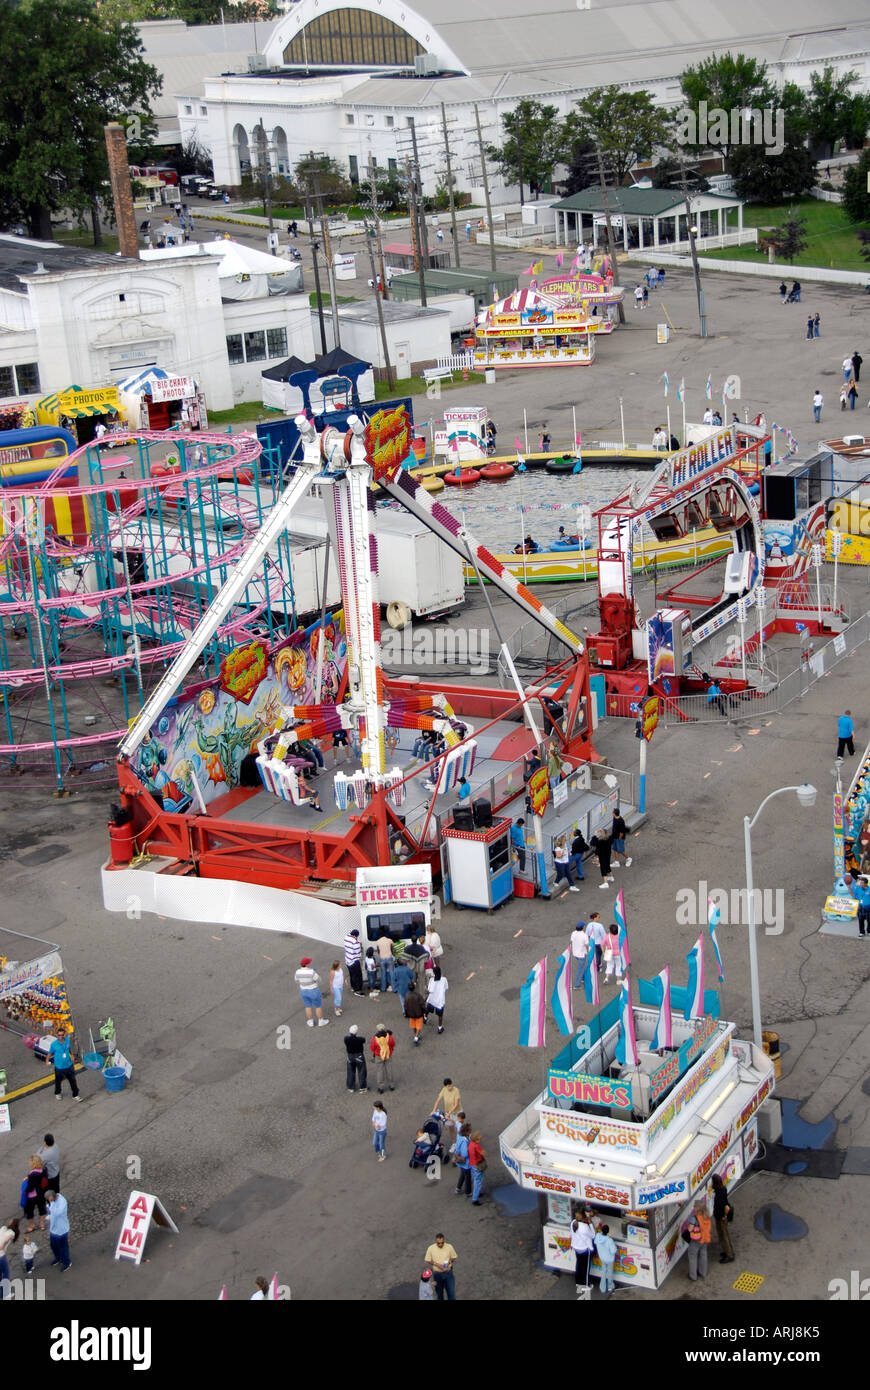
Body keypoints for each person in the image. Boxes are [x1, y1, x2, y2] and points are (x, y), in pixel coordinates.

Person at [683, 1198, 713, 1281]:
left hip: (696, 1240)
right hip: (705, 1238)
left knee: (692, 1257)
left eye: (695, 1206)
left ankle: (693, 1276)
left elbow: (690, 1229)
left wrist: (688, 1226)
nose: (693, 1207)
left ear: (698, 1208)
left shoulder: (694, 1218)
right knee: (703, 1254)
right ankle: (703, 1272)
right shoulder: (707, 1215)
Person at [294, 957, 329, 1028]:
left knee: (307, 1006)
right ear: (307, 964)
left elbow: (296, 981)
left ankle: (310, 1021)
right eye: (309, 962)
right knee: (318, 1006)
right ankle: (320, 1021)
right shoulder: (311, 972)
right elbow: (319, 979)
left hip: (303, 991)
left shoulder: (297, 972)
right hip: (313, 990)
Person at [46, 1031, 80, 1100]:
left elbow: (69, 1048)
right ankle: (57, 1093)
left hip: (69, 1065)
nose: (61, 1037)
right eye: (59, 1035)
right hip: (59, 1067)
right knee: (58, 1081)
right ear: (56, 1035)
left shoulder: (67, 1040)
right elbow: (49, 1053)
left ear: (64, 1034)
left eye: (62, 1035)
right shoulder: (54, 1044)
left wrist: (72, 1056)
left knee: (73, 1081)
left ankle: (75, 1095)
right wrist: (47, 1060)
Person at [424, 1233, 458, 1299]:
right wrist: (437, 1264)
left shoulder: (449, 1246)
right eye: (438, 1243)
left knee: (451, 1294)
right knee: (439, 1295)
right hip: (437, 1275)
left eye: (442, 1243)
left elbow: (454, 1256)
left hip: (448, 1274)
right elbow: (427, 1259)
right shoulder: (431, 1248)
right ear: (435, 1241)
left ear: (444, 1240)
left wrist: (449, 1262)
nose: (440, 1244)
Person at [434, 1078, 462, 1152]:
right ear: (445, 1086)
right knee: (451, 1129)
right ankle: (454, 1144)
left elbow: (456, 1104)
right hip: (448, 1113)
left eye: (450, 1085)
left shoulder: (456, 1090)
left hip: (457, 1112)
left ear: (452, 1084)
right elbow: (438, 1100)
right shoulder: (444, 1090)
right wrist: (433, 1110)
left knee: (459, 1129)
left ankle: (462, 1143)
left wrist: (449, 1113)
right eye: (448, 1086)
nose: (449, 1087)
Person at [711, 1174, 734, 1262]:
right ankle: (728, 1251)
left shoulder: (719, 1193)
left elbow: (724, 1206)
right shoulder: (722, 1189)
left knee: (723, 1236)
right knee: (724, 1235)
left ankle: (729, 1255)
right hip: (720, 1217)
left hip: (720, 1218)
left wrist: (724, 1216)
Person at [46, 1191, 71, 1272]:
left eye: (49, 1200)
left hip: (61, 1230)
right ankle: (58, 1258)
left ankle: (67, 1262)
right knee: (53, 1245)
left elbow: (57, 1213)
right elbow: (50, 1212)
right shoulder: (52, 1201)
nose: (49, 1201)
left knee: (63, 1247)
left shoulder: (62, 1202)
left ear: (52, 1197)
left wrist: (50, 1205)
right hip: (53, 1229)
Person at [571, 1213, 595, 1292]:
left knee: (578, 1265)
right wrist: (590, 1223)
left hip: (576, 1247)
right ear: (583, 1219)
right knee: (586, 1267)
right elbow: (593, 1235)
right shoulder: (585, 1227)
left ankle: (578, 1282)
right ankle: (586, 1285)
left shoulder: (573, 1223)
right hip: (585, 1249)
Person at [23, 1156, 47, 1233]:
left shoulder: (33, 1174)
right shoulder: (43, 1170)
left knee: (29, 1210)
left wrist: (25, 1191)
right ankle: (42, 1224)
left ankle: (31, 1226)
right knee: (42, 1208)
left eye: (30, 1161)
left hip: (33, 1196)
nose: (29, 1163)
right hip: (41, 1194)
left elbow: (31, 1187)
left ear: (33, 1163)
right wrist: (28, 1177)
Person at [369, 1025, 396, 1092]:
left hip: (379, 1056)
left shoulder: (375, 1039)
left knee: (380, 1071)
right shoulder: (389, 1037)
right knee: (389, 1070)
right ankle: (391, 1085)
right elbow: (393, 1044)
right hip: (388, 1055)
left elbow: (372, 1048)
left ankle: (381, 1087)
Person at [344, 1024, 368, 1092]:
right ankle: (362, 1087)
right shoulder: (360, 1039)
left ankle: (350, 1087)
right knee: (362, 1071)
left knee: (350, 1071)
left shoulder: (346, 1039)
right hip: (359, 1056)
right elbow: (364, 1040)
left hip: (350, 1056)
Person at [594, 1223, 617, 1294]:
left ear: (601, 1230)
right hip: (609, 1259)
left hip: (602, 1258)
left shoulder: (597, 1236)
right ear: (608, 1231)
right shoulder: (609, 1240)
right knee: (609, 1272)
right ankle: (610, 1287)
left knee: (603, 1272)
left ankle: (602, 1288)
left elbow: (595, 1242)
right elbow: (613, 1251)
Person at [425, 966, 448, 1034]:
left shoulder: (431, 980)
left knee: (428, 1009)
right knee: (440, 1015)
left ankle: (425, 1018)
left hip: (432, 999)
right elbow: (446, 988)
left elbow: (429, 990)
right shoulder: (444, 979)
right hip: (440, 1001)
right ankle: (439, 1027)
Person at [0, 1220, 19, 1296]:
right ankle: (5, 1294)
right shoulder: (12, 1233)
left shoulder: (4, 1228)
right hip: (1, 1255)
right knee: (6, 1273)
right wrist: (3, 1245)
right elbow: (8, 1238)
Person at [344, 928, 365, 996]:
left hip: (348, 959)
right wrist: (360, 947)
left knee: (352, 975)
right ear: (356, 936)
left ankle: (353, 987)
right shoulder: (355, 942)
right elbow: (357, 952)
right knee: (358, 976)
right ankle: (358, 990)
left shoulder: (346, 938)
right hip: (354, 961)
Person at [467, 1131, 486, 1204]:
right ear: (476, 1139)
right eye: (479, 1139)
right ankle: (475, 1199)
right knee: (478, 1181)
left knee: (475, 1178)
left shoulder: (470, 1144)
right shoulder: (476, 1145)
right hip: (477, 1164)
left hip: (472, 1163)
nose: (480, 1140)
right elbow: (483, 1153)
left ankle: (477, 1193)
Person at [453, 1122, 472, 1195]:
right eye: (470, 1130)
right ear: (466, 1131)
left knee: (462, 1174)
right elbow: (465, 1154)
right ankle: (468, 1192)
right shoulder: (465, 1141)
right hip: (465, 1163)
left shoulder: (459, 1136)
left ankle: (458, 1189)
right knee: (467, 1177)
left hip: (459, 1161)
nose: (471, 1131)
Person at [376, 928, 395, 993]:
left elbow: (378, 950)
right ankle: (394, 989)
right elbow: (392, 948)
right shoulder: (389, 940)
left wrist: (381, 955)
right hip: (389, 958)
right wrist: (390, 953)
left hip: (382, 959)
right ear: (384, 934)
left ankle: (383, 988)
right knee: (392, 973)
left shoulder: (378, 941)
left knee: (383, 974)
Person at [570, 921, 589, 988]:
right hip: (582, 954)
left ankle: (583, 978)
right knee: (580, 969)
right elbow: (587, 945)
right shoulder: (584, 935)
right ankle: (577, 985)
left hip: (575, 953)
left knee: (582, 966)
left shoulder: (573, 933)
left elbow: (571, 941)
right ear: (582, 927)